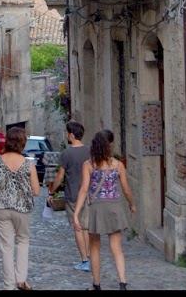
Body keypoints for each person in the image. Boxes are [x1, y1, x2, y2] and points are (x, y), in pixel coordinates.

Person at [73, 129, 135, 291]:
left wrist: (76, 212)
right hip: (114, 206)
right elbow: (126, 189)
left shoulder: (88, 165)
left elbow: (84, 189)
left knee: (94, 248)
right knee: (117, 248)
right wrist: (131, 204)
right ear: (110, 145)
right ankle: (122, 283)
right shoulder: (118, 165)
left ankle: (96, 284)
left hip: (96, 209)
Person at [0, 126, 41, 291]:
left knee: (6, 246)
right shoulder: (28, 164)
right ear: (22, 143)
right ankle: (21, 280)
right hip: (22, 208)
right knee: (23, 241)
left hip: (1, 208)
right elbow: (37, 191)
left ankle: (8, 285)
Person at [49, 120, 92, 271]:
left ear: (72, 135)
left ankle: (85, 260)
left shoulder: (66, 154)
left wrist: (52, 191)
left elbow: (60, 177)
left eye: (68, 133)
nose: (67, 135)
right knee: (86, 228)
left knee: (77, 228)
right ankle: (90, 258)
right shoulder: (89, 151)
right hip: (88, 195)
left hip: (73, 194)